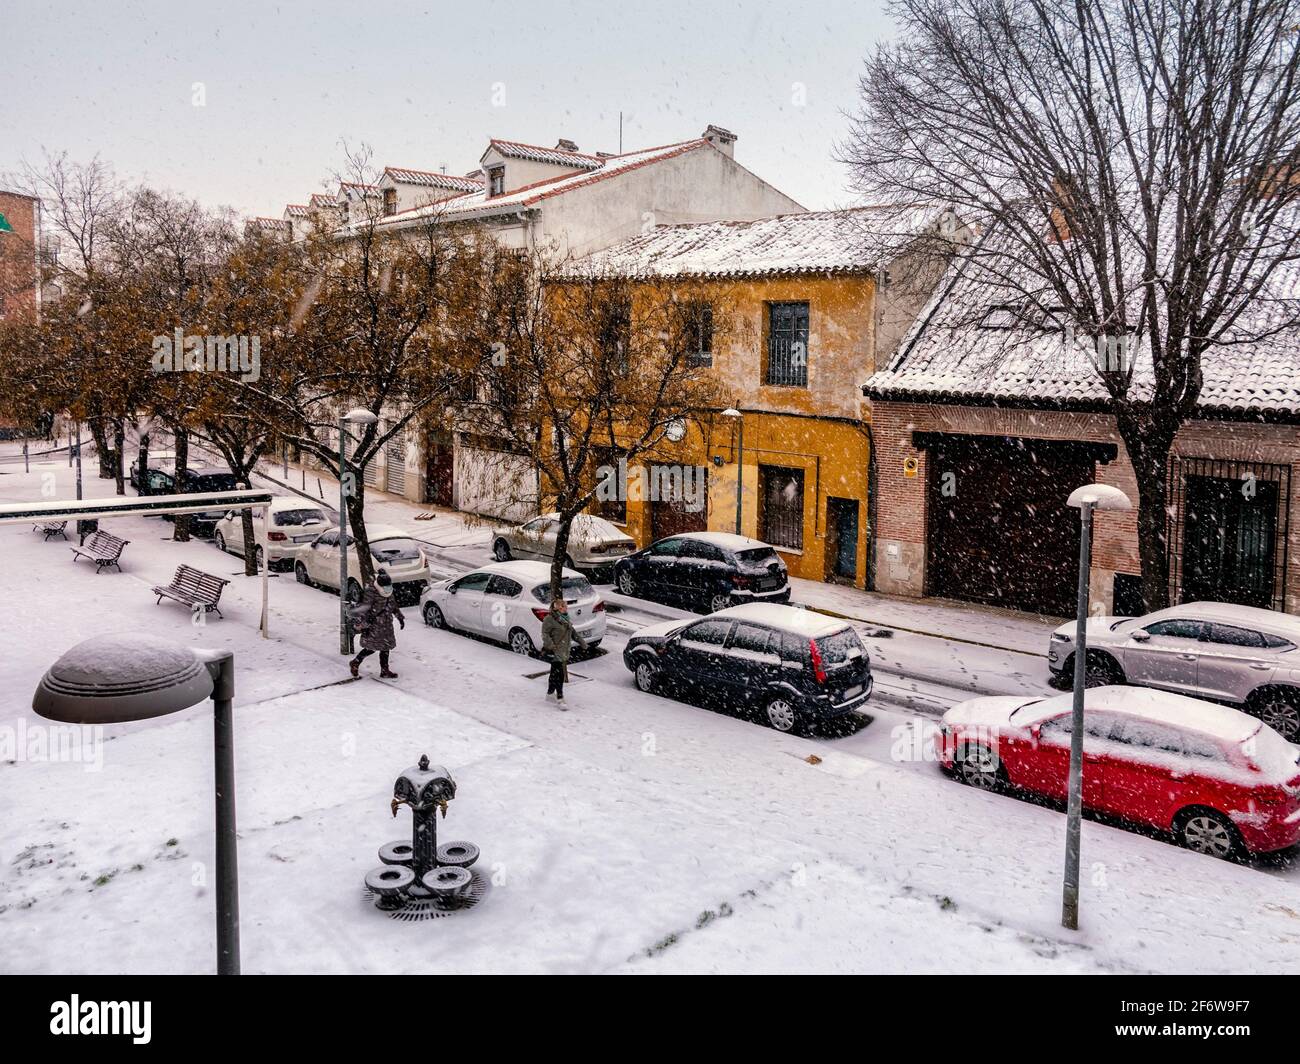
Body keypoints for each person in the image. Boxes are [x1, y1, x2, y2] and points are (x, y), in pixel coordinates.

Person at [349, 570, 405, 679]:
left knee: (386, 647)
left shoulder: (389, 591)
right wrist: (361, 622)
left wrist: (400, 617)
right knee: (371, 647)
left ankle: (384, 670)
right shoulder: (371, 592)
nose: (388, 588)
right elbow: (365, 608)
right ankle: (355, 662)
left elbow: (393, 605)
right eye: (386, 586)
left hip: (387, 624)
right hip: (375, 624)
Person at [541, 597, 587, 706]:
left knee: (554, 673)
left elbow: (572, 632)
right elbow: (545, 634)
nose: (565, 607)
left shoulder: (566, 619)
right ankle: (560, 698)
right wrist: (551, 645)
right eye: (562, 606)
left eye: (565, 605)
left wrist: (582, 642)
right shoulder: (549, 619)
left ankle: (550, 693)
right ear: (555, 608)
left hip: (564, 650)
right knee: (559, 674)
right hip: (555, 650)